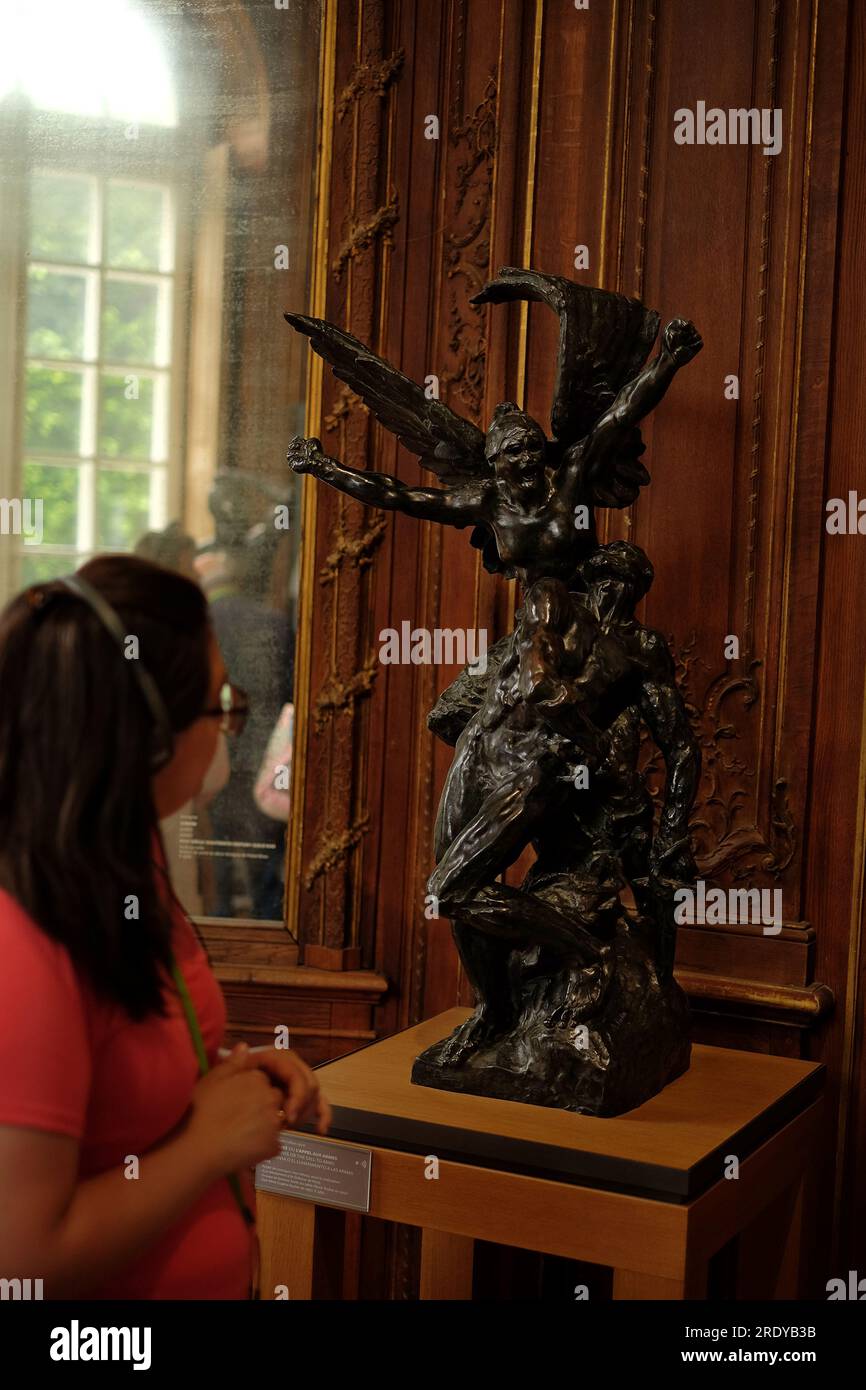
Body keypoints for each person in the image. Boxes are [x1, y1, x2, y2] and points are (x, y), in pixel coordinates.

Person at [0, 555, 330, 1299]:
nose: (226, 728)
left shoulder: (123, 867)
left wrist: (222, 1085)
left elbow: (115, 1098)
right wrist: (211, 1142)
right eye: (218, 706)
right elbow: (20, 1262)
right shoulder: (22, 935)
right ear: (148, 735)